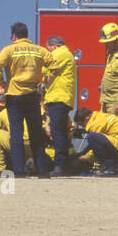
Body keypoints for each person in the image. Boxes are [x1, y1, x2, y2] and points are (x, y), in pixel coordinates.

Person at [0, 22, 52, 177]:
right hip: (32, 95)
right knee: (36, 133)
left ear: (14, 36)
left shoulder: (9, 49)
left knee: (16, 133)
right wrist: (45, 83)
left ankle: (18, 170)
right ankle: (42, 170)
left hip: (14, 95)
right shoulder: (40, 50)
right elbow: (55, 67)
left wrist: (1, 82)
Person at [42, 35, 78, 177]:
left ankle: (60, 165)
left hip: (59, 98)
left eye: (48, 49)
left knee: (57, 132)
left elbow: (46, 68)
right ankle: (63, 164)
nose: (48, 52)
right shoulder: (65, 54)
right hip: (59, 98)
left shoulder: (60, 53)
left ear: (53, 46)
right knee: (60, 131)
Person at [73, 107, 118, 175]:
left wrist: (84, 158)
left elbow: (96, 147)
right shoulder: (100, 117)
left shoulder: (95, 125)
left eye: (82, 125)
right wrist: (82, 154)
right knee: (95, 138)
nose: (84, 127)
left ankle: (110, 168)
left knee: (92, 137)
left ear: (86, 118)